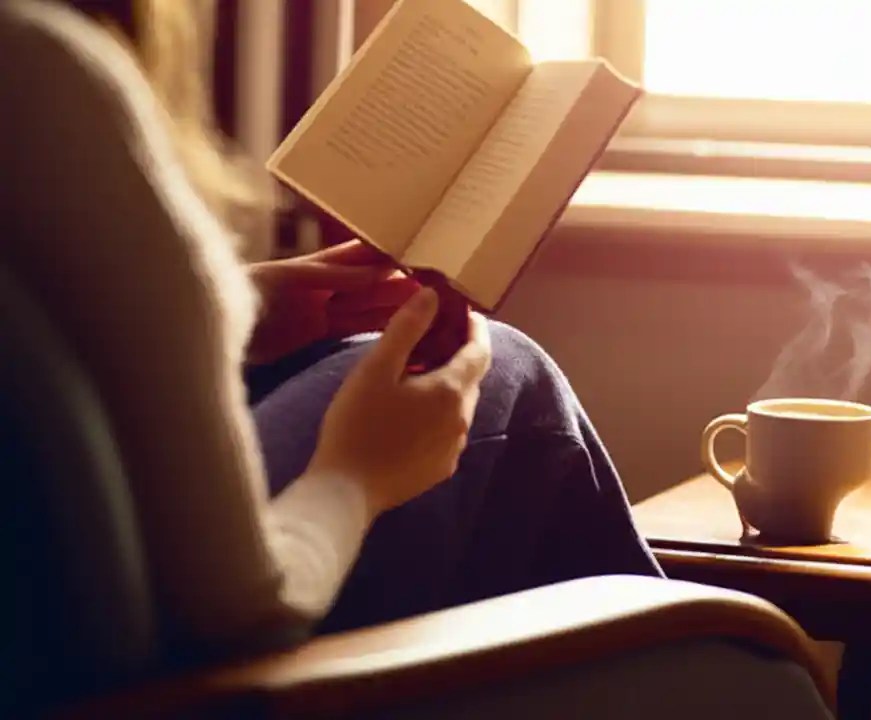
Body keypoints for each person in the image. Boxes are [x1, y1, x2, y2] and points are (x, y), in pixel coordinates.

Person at [0, 0, 661, 664]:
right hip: (140, 673)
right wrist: (356, 476)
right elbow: (245, 609)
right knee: (504, 368)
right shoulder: (36, 64)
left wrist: (237, 315)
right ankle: (687, 667)